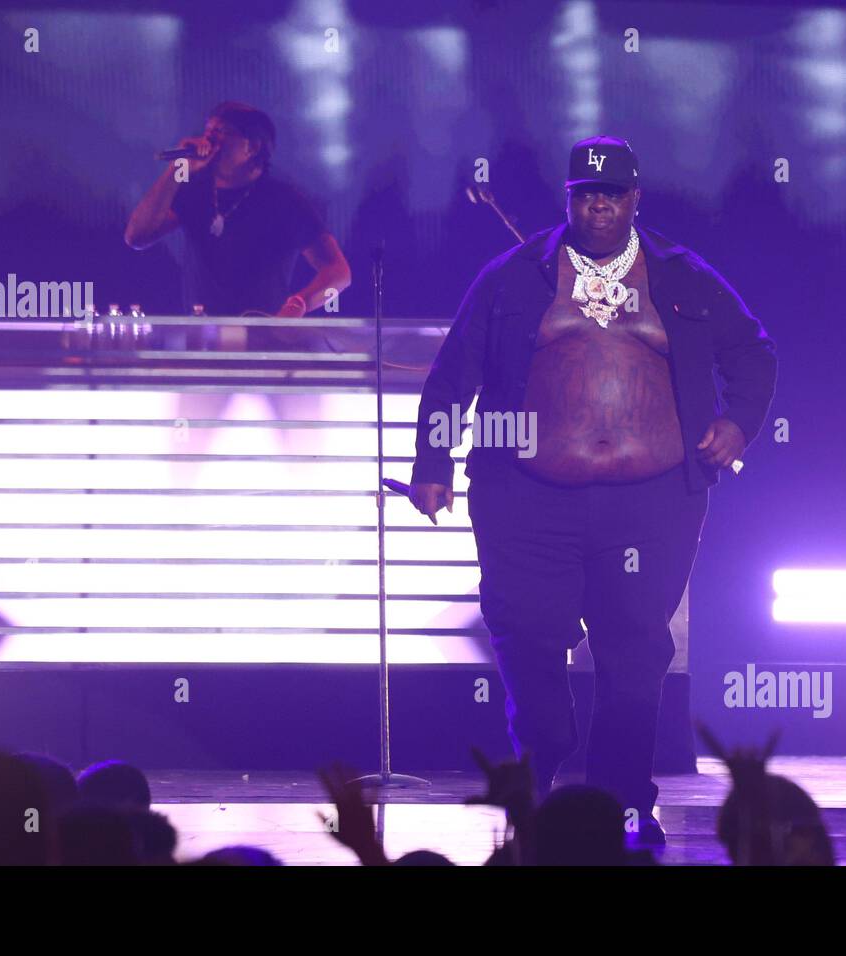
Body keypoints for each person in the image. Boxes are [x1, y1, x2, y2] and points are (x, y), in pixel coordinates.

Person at [409, 136, 777, 847]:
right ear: (569, 198)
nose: (599, 206)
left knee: (636, 649)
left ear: (635, 198)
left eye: (612, 194)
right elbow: (453, 374)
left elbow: (753, 351)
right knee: (524, 632)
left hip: (653, 502)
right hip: (526, 498)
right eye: (585, 194)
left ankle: (624, 801)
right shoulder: (516, 276)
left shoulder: (682, 276)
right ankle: (541, 768)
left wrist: (739, 427)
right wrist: (433, 464)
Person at [124, 100, 351, 335]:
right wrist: (177, 167)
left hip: (263, 338)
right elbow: (137, 237)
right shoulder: (194, 191)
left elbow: (338, 272)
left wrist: (297, 305)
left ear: (251, 147)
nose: (209, 141)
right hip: (203, 337)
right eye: (208, 132)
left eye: (220, 133)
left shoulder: (284, 200)